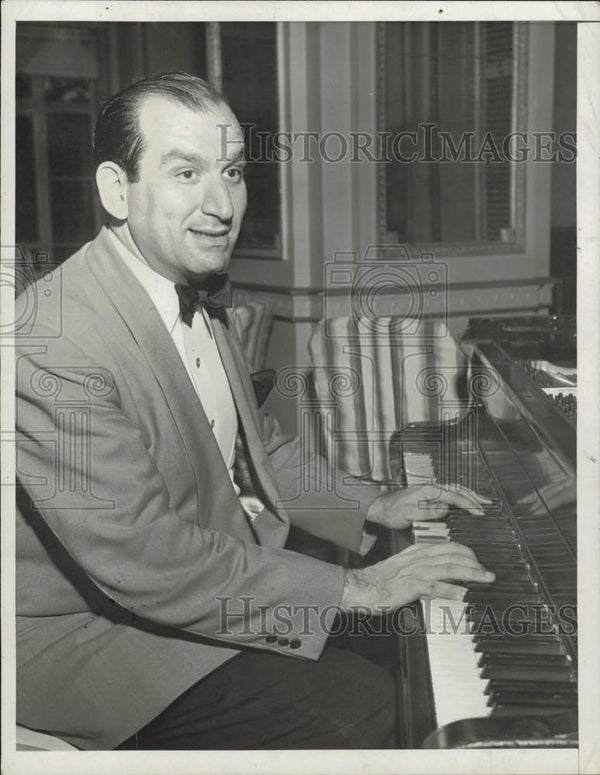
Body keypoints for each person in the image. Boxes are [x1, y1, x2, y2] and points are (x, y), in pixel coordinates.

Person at [15, 72, 494, 751]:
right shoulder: (52, 343)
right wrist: (354, 588)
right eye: (186, 173)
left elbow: (257, 449)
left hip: (200, 587)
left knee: (418, 638)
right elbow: (150, 561)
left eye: (233, 172)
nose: (221, 204)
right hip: (89, 639)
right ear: (117, 190)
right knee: (365, 707)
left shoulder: (193, 288)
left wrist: (372, 505)